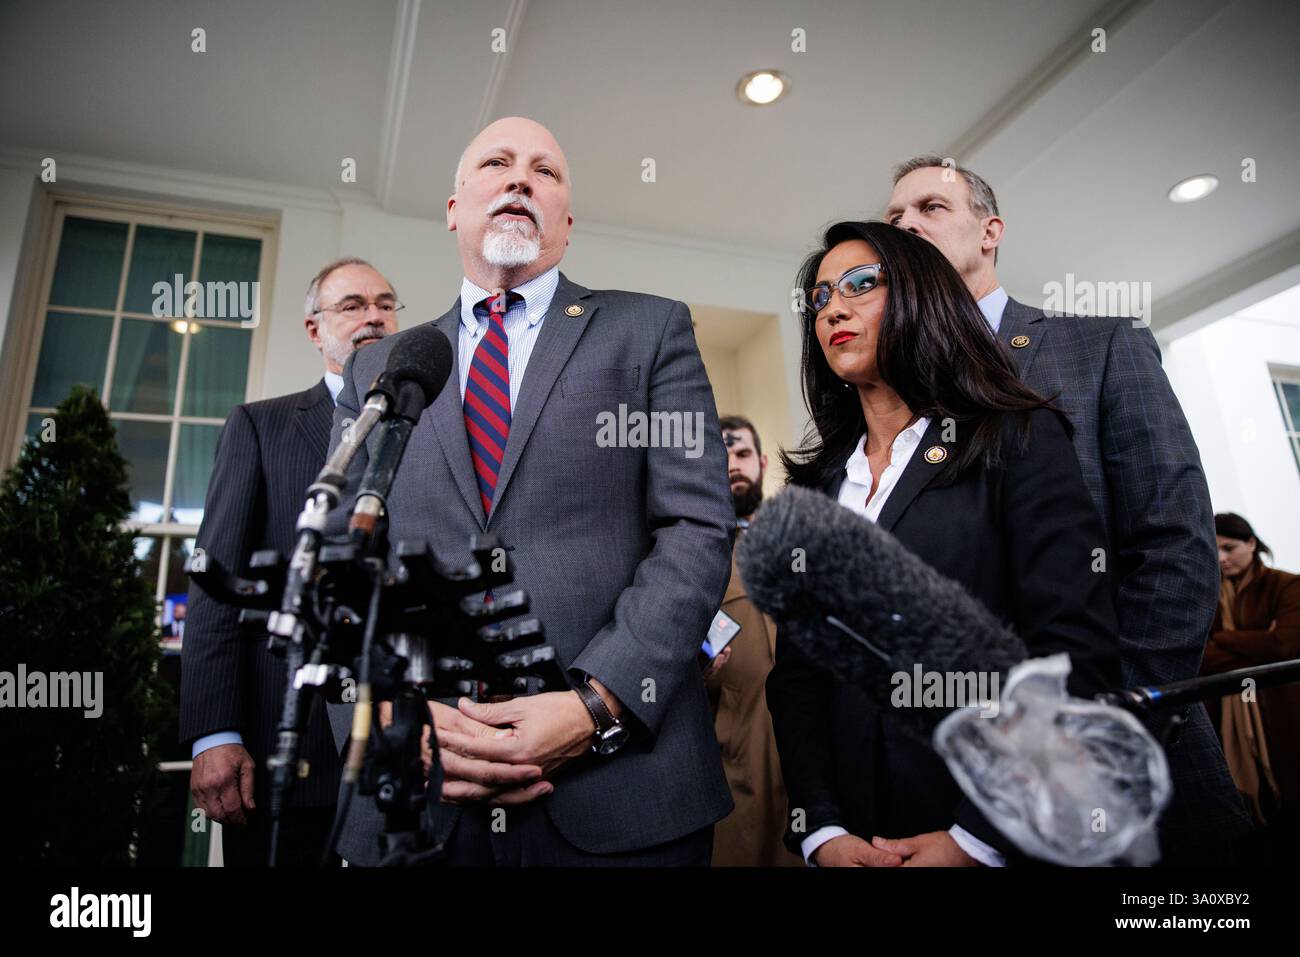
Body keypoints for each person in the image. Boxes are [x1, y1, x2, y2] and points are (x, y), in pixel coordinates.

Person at [324, 116, 735, 866]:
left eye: (544, 171)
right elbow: (337, 557)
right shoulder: (383, 366)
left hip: (623, 794)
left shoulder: (651, 331)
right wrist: (389, 718)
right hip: (420, 800)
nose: (520, 179)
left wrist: (596, 703)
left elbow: (697, 527)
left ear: (566, 223)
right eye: (497, 163)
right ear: (454, 208)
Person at [882, 155, 1250, 862]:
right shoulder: (892, 401)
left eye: (930, 207)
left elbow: (1175, 549)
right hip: (950, 796)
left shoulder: (1100, 346)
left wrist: (1093, 729)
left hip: (1122, 769)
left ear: (991, 231)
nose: (906, 225)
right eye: (894, 218)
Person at [765, 220, 1122, 867]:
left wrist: (979, 838)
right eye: (819, 298)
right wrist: (821, 829)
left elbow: (1071, 651)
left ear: (923, 296)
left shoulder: (1015, 437)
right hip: (854, 836)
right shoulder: (814, 489)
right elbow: (797, 678)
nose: (833, 309)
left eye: (860, 285)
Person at [180, 257, 400, 866]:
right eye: (353, 305)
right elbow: (215, 581)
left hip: (411, 763)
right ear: (315, 329)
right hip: (289, 758)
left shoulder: (433, 434)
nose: (374, 317)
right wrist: (214, 734)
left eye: (385, 304)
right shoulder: (260, 426)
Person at [704, 415, 800, 867]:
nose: (731, 465)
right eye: (720, 455)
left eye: (741, 453)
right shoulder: (692, 558)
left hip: (809, 764)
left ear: (761, 461)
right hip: (735, 768)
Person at [1201, 513, 1300, 853]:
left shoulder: (1286, 585)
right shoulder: (1206, 596)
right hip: (1226, 711)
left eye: (1229, 548)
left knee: (1288, 785)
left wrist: (1223, 639)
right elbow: (1201, 659)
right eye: (1214, 551)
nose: (1221, 559)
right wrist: (1258, 640)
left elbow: (1286, 644)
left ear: (1252, 543)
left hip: (1281, 707)